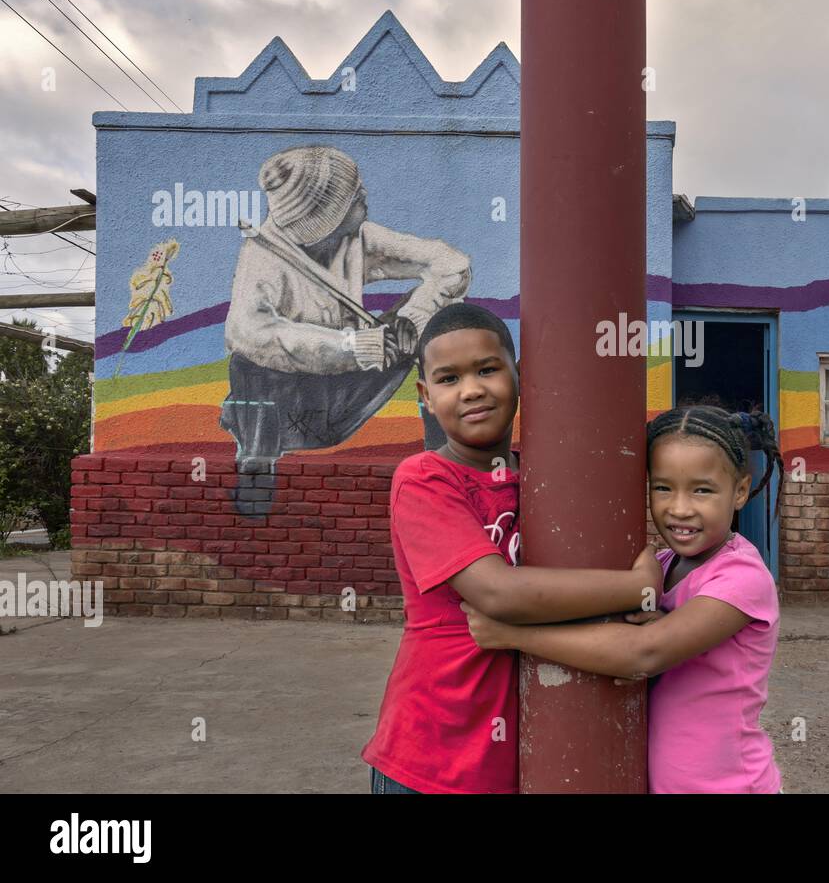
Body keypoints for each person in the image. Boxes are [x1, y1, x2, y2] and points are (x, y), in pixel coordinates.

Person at [360, 302, 663, 794]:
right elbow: (498, 594)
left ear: (519, 375)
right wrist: (636, 588)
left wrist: (631, 611)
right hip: (431, 757)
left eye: (487, 369)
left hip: (513, 762)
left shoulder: (543, 482)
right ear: (425, 396)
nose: (472, 389)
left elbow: (568, 589)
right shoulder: (424, 480)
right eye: (448, 379)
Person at [464, 404, 785, 793]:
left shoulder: (741, 577)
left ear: (739, 491)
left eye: (702, 490)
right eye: (663, 487)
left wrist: (512, 635)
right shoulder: (660, 565)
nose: (680, 508)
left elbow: (643, 653)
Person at [222, 144, 472, 462]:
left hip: (345, 385)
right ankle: (255, 473)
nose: (364, 194)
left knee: (444, 318)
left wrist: (413, 316)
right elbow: (246, 332)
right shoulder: (263, 255)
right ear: (324, 216)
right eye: (353, 196)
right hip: (292, 399)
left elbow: (452, 264)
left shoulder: (355, 237)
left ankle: (442, 456)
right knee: (248, 364)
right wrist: (354, 346)